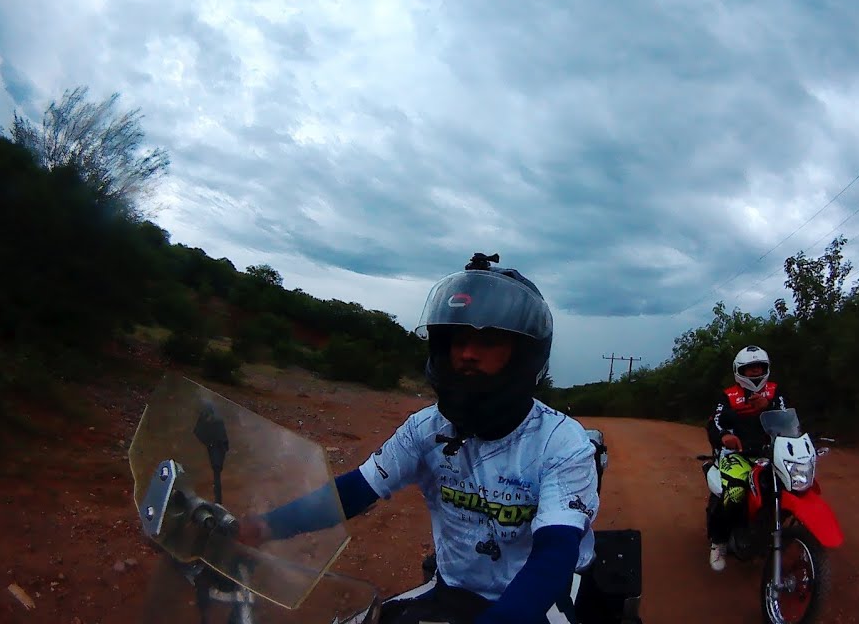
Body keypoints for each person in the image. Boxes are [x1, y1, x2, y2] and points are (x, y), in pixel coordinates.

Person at [238, 253, 600, 624]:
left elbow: (555, 553)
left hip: (537, 603)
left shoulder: (561, 442)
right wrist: (263, 527)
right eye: (457, 339)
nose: (467, 353)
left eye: (489, 341)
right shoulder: (426, 428)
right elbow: (357, 489)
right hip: (452, 590)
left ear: (524, 354)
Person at [702, 344, 789, 572]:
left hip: (771, 452)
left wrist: (768, 406)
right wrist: (723, 436)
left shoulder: (775, 391)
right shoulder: (729, 395)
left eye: (759, 367)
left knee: (793, 485)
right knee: (735, 492)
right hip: (738, 455)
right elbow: (716, 421)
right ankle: (719, 542)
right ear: (740, 371)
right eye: (750, 368)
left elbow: (789, 418)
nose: (756, 372)